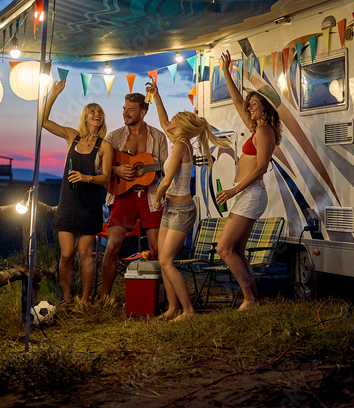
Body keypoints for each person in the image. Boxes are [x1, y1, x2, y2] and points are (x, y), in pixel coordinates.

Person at [215, 50, 282, 310]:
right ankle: (254, 299)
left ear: (264, 108)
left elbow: (261, 167)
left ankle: (250, 299)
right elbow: (236, 100)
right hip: (246, 192)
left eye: (254, 104)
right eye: (250, 104)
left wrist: (233, 191)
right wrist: (226, 71)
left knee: (225, 248)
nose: (249, 107)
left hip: (251, 192)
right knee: (237, 250)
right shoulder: (257, 129)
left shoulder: (264, 131)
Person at [152, 111, 230, 320]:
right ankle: (172, 308)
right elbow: (163, 121)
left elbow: (166, 181)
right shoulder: (179, 142)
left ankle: (188, 311)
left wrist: (157, 198)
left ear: (182, 125)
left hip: (182, 211)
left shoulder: (180, 146)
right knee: (162, 260)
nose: (170, 123)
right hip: (171, 209)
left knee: (167, 261)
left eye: (175, 119)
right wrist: (157, 97)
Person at [42, 80, 113, 304]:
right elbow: (43, 122)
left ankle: (85, 300)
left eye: (99, 112)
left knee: (85, 253)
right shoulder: (72, 136)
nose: (96, 114)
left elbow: (106, 177)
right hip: (67, 202)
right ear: (84, 117)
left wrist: (86, 177)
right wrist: (53, 94)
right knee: (66, 254)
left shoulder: (105, 146)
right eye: (92, 111)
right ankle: (66, 297)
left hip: (89, 204)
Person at [101, 84, 170, 300]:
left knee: (158, 250)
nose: (125, 113)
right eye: (123, 109)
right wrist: (116, 169)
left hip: (151, 197)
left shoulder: (158, 137)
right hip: (122, 196)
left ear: (143, 112)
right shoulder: (114, 137)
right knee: (112, 246)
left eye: (130, 110)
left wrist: (154, 173)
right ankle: (105, 297)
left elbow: (164, 171)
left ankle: (160, 297)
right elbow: (99, 168)